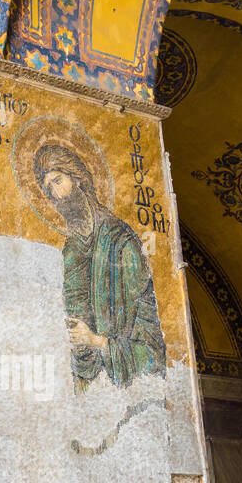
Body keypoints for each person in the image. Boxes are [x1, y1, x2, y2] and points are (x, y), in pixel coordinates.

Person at [34, 144, 166, 389]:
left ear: (79, 179)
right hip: (84, 380)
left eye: (58, 180)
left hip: (125, 389)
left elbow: (153, 352)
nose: (55, 194)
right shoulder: (71, 249)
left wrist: (97, 341)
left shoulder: (121, 243)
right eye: (48, 188)